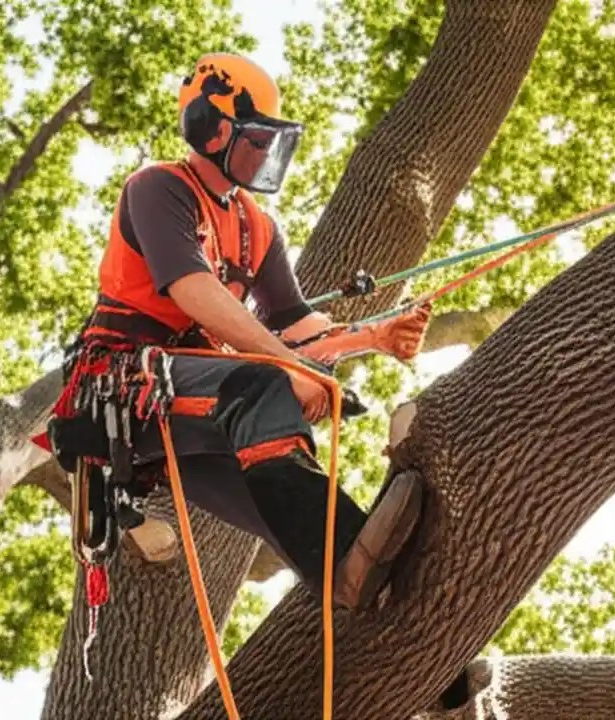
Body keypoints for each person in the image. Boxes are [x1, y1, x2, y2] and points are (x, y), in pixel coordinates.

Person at [45, 52, 432, 611]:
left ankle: (369, 595)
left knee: (277, 500)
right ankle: (348, 560)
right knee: (260, 390)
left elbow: (296, 322)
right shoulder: (158, 189)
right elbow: (193, 290)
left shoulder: (256, 225)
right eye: (257, 138)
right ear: (212, 127)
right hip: (124, 388)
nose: (267, 153)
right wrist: (289, 367)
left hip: (196, 401)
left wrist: (371, 336)